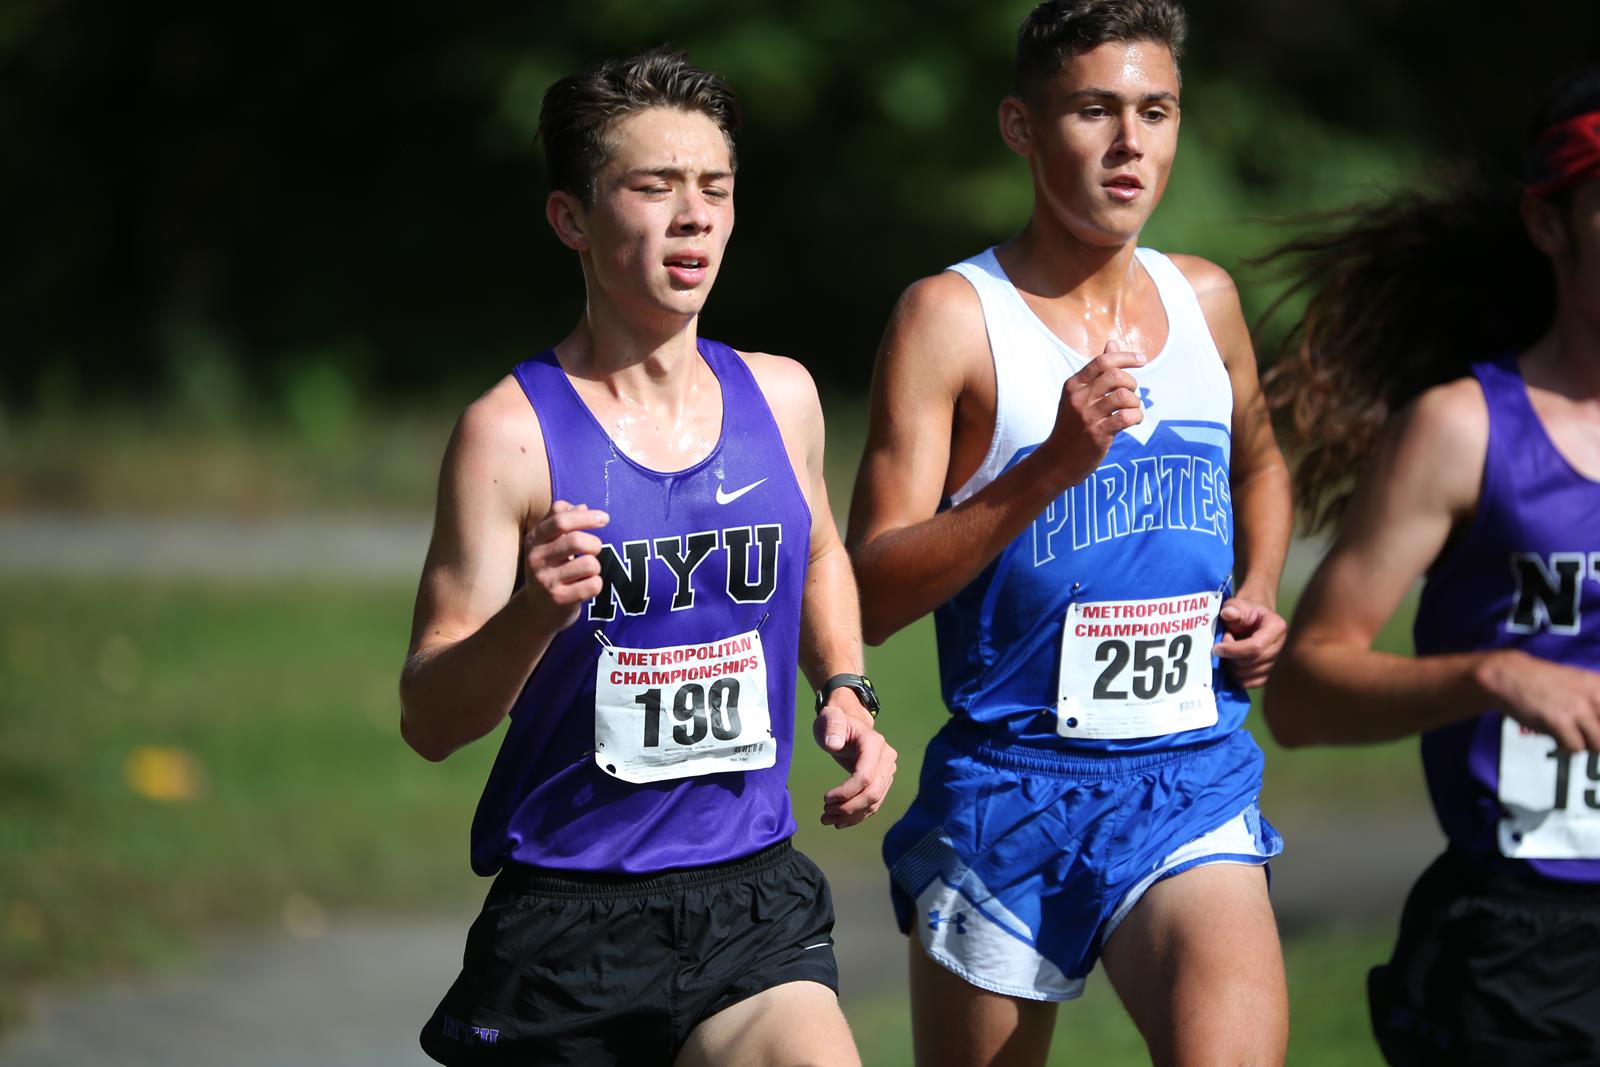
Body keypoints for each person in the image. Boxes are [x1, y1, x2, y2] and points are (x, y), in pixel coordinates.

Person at [397, 47, 896, 1067]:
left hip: (748, 899)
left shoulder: (783, 396)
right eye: (653, 186)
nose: (694, 215)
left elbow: (819, 556)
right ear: (570, 219)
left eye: (714, 187)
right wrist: (531, 613)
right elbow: (429, 718)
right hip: (568, 922)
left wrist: (844, 682)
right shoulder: (511, 434)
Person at [845, 1, 1293, 1063]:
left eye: (1157, 110)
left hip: (1190, 772)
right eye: (1095, 110)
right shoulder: (950, 318)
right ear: (1021, 126)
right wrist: (1050, 463)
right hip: (1011, 785)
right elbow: (869, 588)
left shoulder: (1206, 300)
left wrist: (1263, 583)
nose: (1131, 142)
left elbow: (1262, 462)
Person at [1260, 68, 1600, 1066]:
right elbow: (1304, 690)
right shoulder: (1464, 428)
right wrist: (1491, 675)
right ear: (1551, 224)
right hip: (1522, 950)